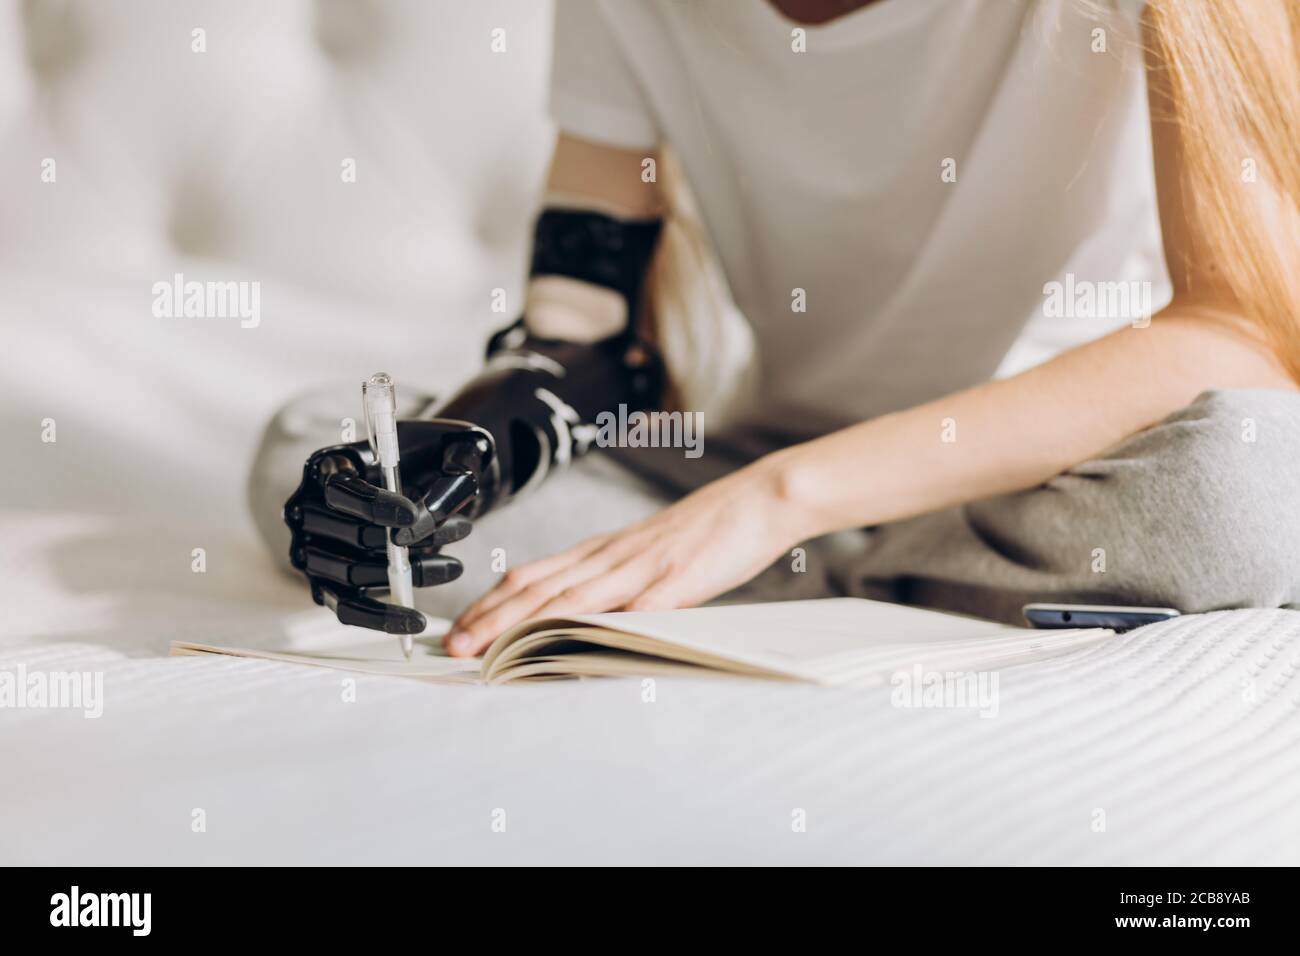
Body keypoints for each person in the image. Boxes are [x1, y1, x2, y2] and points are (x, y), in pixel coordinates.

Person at [270, 0, 1300, 656]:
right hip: (774, 469)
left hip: (1062, 477)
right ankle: (886, 583)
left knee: (1253, 480)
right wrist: (467, 453)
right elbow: (583, 327)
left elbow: (1240, 330)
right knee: (308, 445)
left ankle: (751, 572)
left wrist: (776, 503)